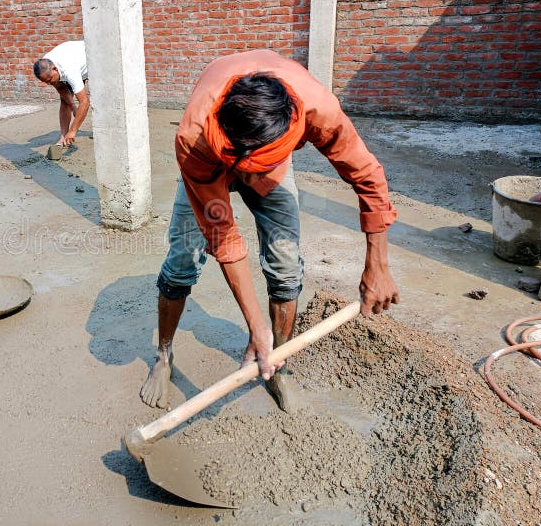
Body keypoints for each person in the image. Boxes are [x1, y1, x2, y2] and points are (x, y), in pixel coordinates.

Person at [141, 50, 400, 411]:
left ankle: (279, 361)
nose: (243, 176)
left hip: (272, 170)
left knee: (286, 265)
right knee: (181, 259)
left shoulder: (318, 109)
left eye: (249, 167)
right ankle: (163, 355)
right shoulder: (195, 136)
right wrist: (255, 324)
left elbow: (367, 176)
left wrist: (378, 266)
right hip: (209, 165)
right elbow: (224, 239)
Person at [33, 40, 89, 147]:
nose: (50, 84)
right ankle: (63, 137)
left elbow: (85, 102)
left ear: (55, 69)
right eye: (46, 82)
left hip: (92, 59)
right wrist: (73, 107)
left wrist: (73, 131)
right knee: (64, 101)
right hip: (75, 62)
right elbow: (62, 90)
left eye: (50, 80)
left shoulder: (69, 69)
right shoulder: (45, 66)